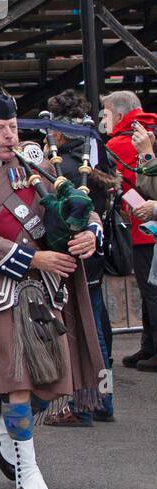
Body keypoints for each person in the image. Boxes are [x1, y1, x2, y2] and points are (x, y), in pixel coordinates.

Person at [0, 92, 105, 489]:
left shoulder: (37, 168)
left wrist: (91, 233)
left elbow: (80, 209)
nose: (8, 135)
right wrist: (34, 256)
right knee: (17, 383)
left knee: (50, 384)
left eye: (12, 127)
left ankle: (2, 425)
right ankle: (28, 472)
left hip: (46, 293)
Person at [45, 90, 120, 417]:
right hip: (94, 255)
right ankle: (103, 400)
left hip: (74, 254)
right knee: (98, 334)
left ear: (59, 131)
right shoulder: (94, 157)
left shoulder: (64, 167)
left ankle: (85, 404)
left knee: (84, 336)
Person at [102, 90, 157, 370]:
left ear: (120, 115)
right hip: (146, 223)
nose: (103, 120)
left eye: (107, 114)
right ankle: (148, 346)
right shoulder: (149, 131)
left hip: (143, 227)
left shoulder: (120, 144)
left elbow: (126, 184)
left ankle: (153, 347)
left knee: (152, 291)